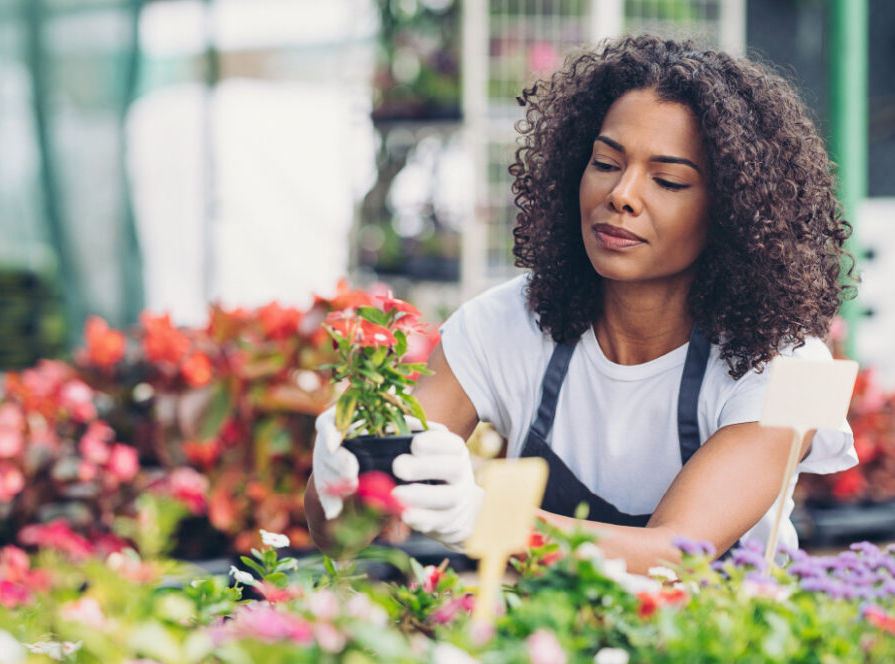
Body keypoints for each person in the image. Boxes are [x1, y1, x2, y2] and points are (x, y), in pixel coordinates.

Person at [304, 35, 858, 573]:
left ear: (733, 212)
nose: (621, 194)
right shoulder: (502, 325)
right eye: (606, 162)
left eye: (666, 180)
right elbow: (346, 535)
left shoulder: (790, 366)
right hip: (546, 649)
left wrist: (484, 517)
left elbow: (676, 553)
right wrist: (342, 482)